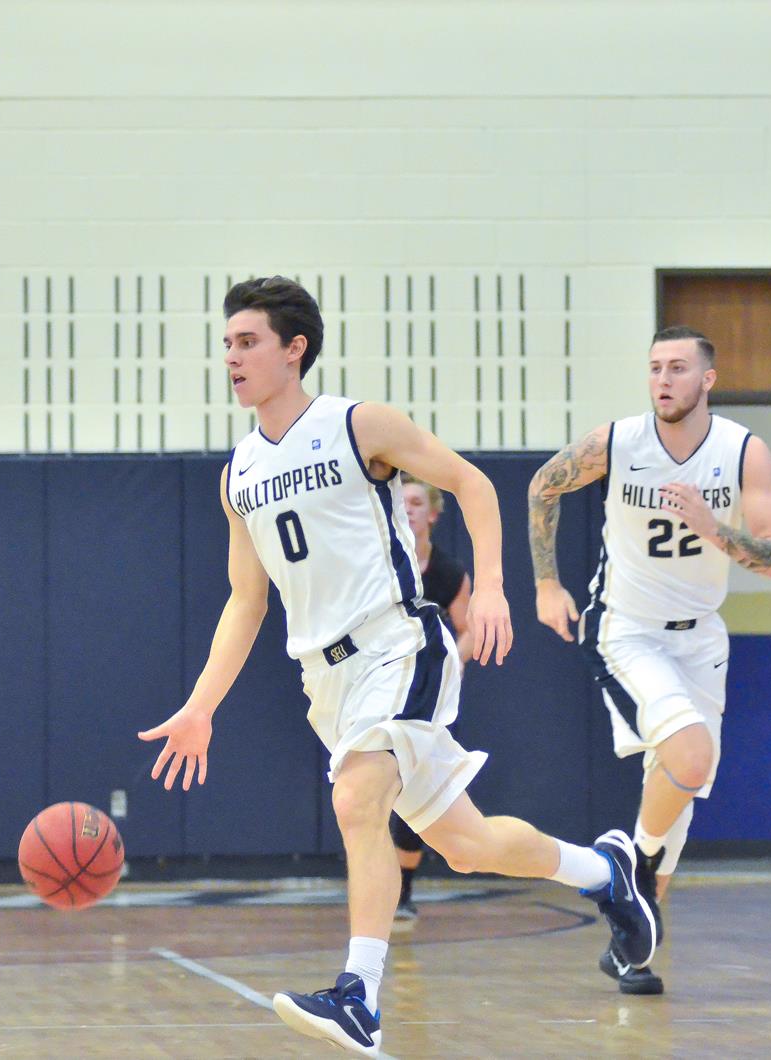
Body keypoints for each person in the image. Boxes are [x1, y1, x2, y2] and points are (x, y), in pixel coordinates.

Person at [138, 276, 658, 1057]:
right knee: (468, 843)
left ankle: (359, 995)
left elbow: (472, 484)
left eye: (246, 342)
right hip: (326, 678)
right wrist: (201, 705)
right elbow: (246, 603)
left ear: (294, 349)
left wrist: (490, 588)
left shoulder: (357, 424)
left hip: (397, 644)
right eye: (226, 346)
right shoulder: (237, 473)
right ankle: (607, 873)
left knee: (357, 800)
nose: (232, 358)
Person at [528, 325, 771, 996]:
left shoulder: (741, 452)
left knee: (681, 799)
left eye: (678, 367)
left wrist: (713, 527)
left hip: (701, 637)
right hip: (626, 630)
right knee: (690, 757)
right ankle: (631, 867)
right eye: (654, 368)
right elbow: (542, 486)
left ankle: (630, 939)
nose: (664, 379)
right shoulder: (618, 443)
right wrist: (547, 584)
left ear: (707, 379)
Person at [389, 475, 474, 925]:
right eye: (401, 502)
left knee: (418, 792)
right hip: (382, 689)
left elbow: (471, 630)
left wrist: (450, 663)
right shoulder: (380, 562)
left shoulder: (448, 573)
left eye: (417, 502)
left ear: (433, 513)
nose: (409, 510)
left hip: (430, 694)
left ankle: (403, 890)